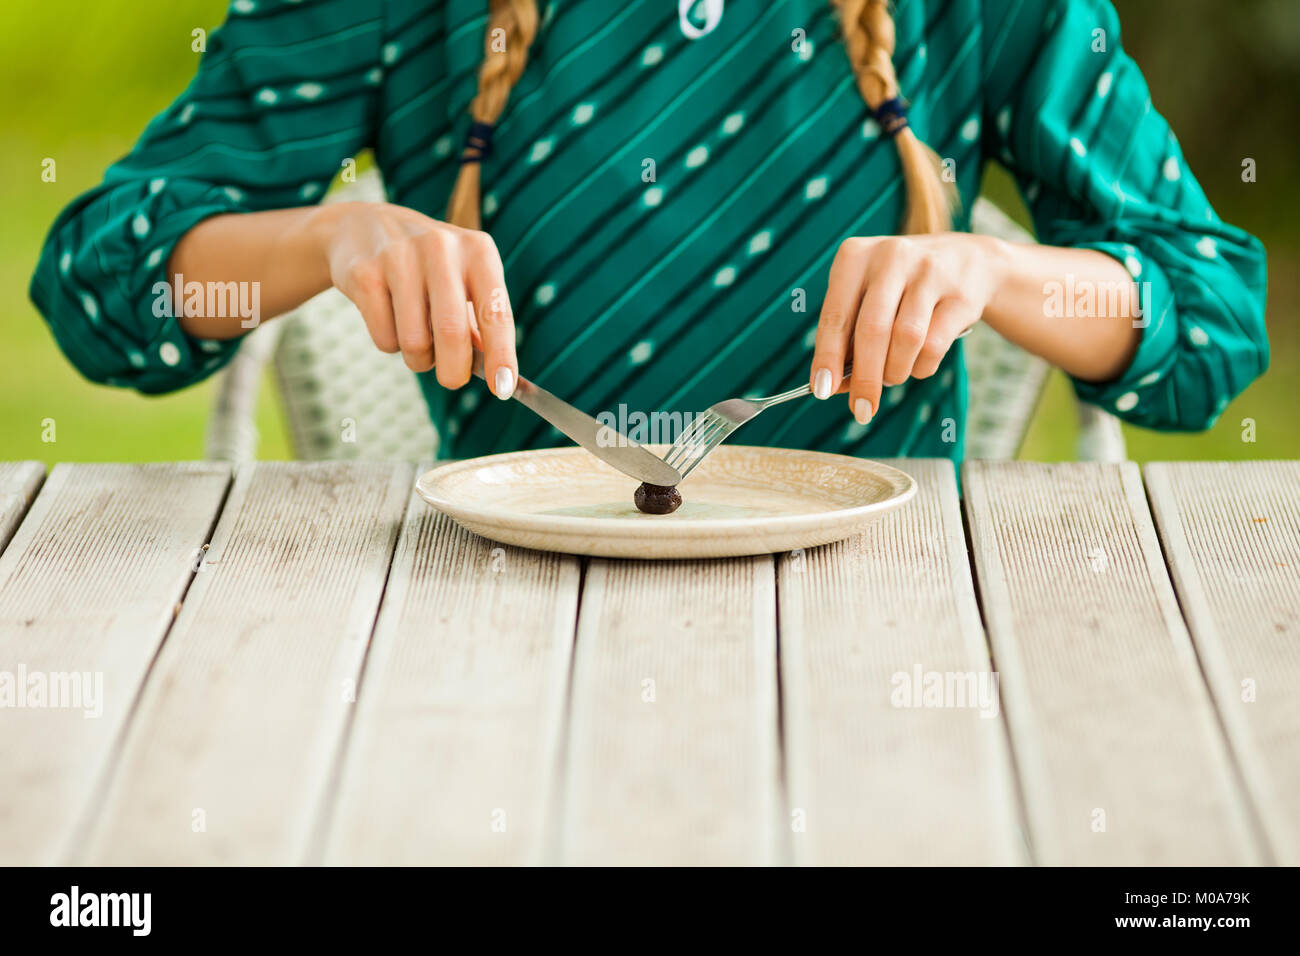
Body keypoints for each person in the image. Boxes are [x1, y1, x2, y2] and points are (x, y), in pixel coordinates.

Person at [31, 0, 1268, 464]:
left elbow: (1211, 317)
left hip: (891, 636)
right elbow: (102, 288)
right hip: (495, 639)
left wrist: (997, 267)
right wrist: (327, 242)